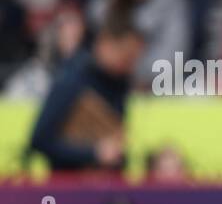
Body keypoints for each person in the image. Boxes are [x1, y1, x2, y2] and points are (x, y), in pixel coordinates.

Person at [27, 14, 142, 173]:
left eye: (135, 59)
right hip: (69, 188)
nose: (131, 65)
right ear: (106, 44)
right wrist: (93, 153)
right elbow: (39, 141)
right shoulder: (73, 78)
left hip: (106, 187)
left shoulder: (119, 84)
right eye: (127, 57)